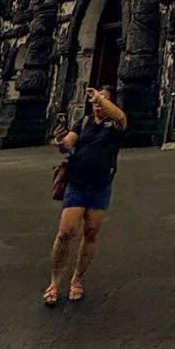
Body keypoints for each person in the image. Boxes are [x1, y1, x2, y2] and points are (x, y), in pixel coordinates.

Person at [42, 83, 127, 305]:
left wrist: (98, 97)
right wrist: (61, 142)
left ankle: (77, 280)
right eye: (94, 101)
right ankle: (54, 282)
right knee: (65, 233)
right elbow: (68, 144)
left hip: (100, 186)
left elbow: (120, 115)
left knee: (90, 233)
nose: (96, 104)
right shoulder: (85, 122)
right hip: (77, 182)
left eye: (102, 100)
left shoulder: (116, 124)